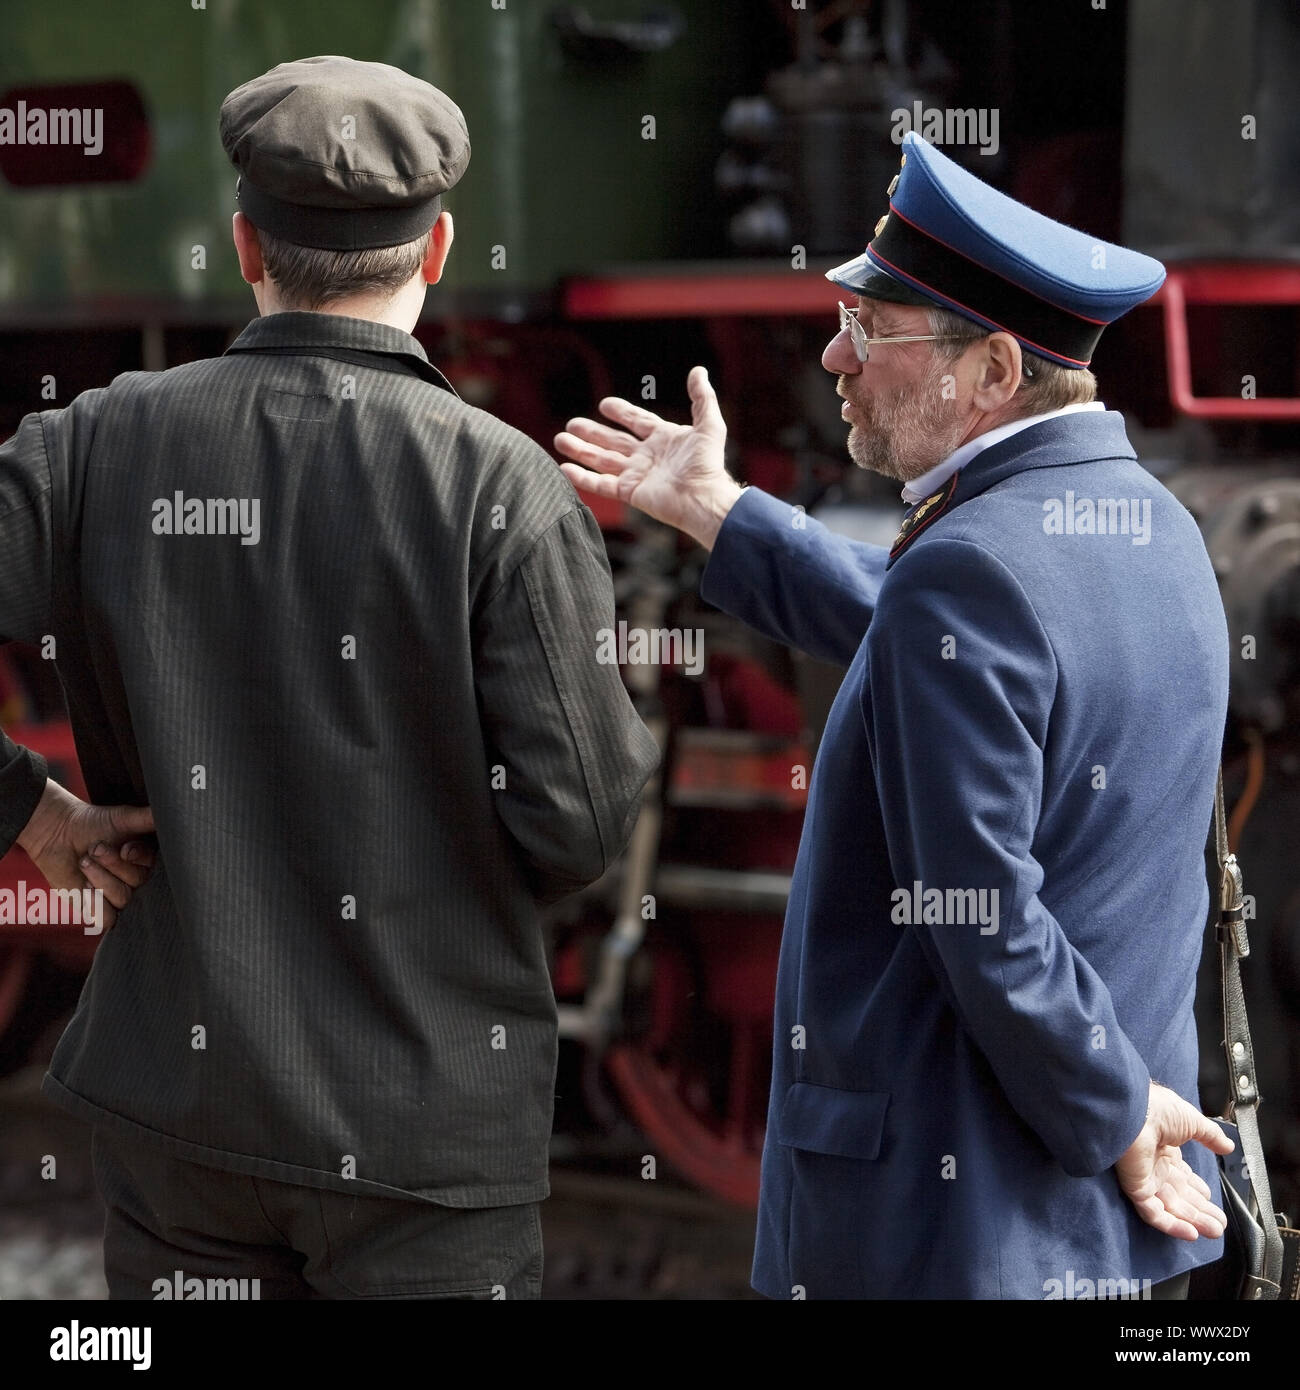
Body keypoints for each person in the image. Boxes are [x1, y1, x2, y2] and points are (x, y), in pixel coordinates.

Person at [0, 55, 658, 1300]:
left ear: (244, 243)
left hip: (178, 1110)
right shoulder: (502, 487)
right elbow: (576, 825)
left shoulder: (93, 441)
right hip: (424, 1137)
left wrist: (34, 815)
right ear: (440, 247)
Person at [556, 130, 1234, 1300]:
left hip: (941, 1233)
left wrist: (1110, 1103)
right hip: (1076, 1226)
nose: (833, 356)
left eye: (871, 332)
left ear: (994, 372)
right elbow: (939, 643)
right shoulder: (1151, 527)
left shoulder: (971, 566)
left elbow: (985, 914)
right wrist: (725, 513)